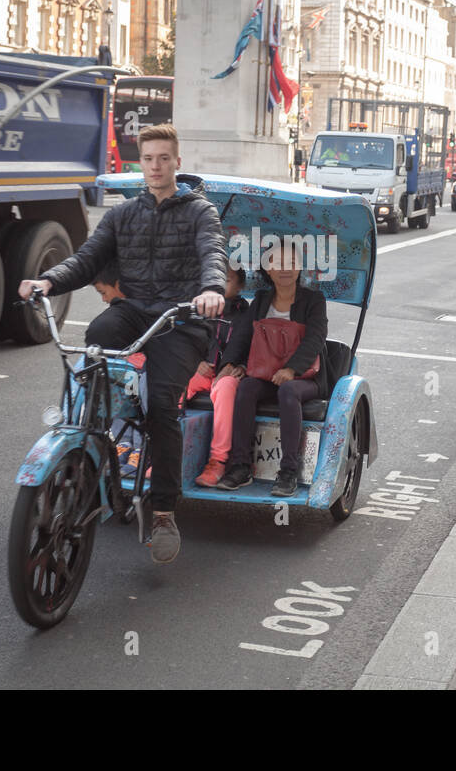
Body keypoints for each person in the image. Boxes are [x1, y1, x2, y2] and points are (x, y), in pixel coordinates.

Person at [18, 123, 226, 565]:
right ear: (140, 163)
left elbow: (213, 253)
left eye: (163, 158)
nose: (155, 166)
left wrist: (211, 290)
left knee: (162, 406)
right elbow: (87, 258)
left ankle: (164, 511)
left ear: (177, 163)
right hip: (136, 310)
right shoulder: (122, 214)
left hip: (181, 319)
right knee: (97, 337)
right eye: (148, 158)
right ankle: (83, 442)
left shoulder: (200, 212)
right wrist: (48, 281)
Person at [216, 243, 329, 498]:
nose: (285, 269)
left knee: (288, 391)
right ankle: (240, 466)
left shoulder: (313, 300)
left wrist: (291, 369)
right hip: (267, 373)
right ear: (268, 268)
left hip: (304, 378)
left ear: (299, 267)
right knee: (244, 388)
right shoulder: (261, 300)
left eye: (291, 263)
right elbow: (243, 335)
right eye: (277, 263)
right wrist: (230, 364)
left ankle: (288, 470)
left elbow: (316, 338)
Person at [189, 265, 250, 487]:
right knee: (173, 387)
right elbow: (187, 339)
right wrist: (195, 363)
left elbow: (250, 345)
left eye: (229, 280)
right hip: (200, 371)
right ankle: (160, 452)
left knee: (226, 390)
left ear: (241, 285)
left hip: (227, 374)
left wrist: (242, 366)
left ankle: (217, 460)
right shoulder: (200, 308)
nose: (222, 284)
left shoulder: (246, 313)